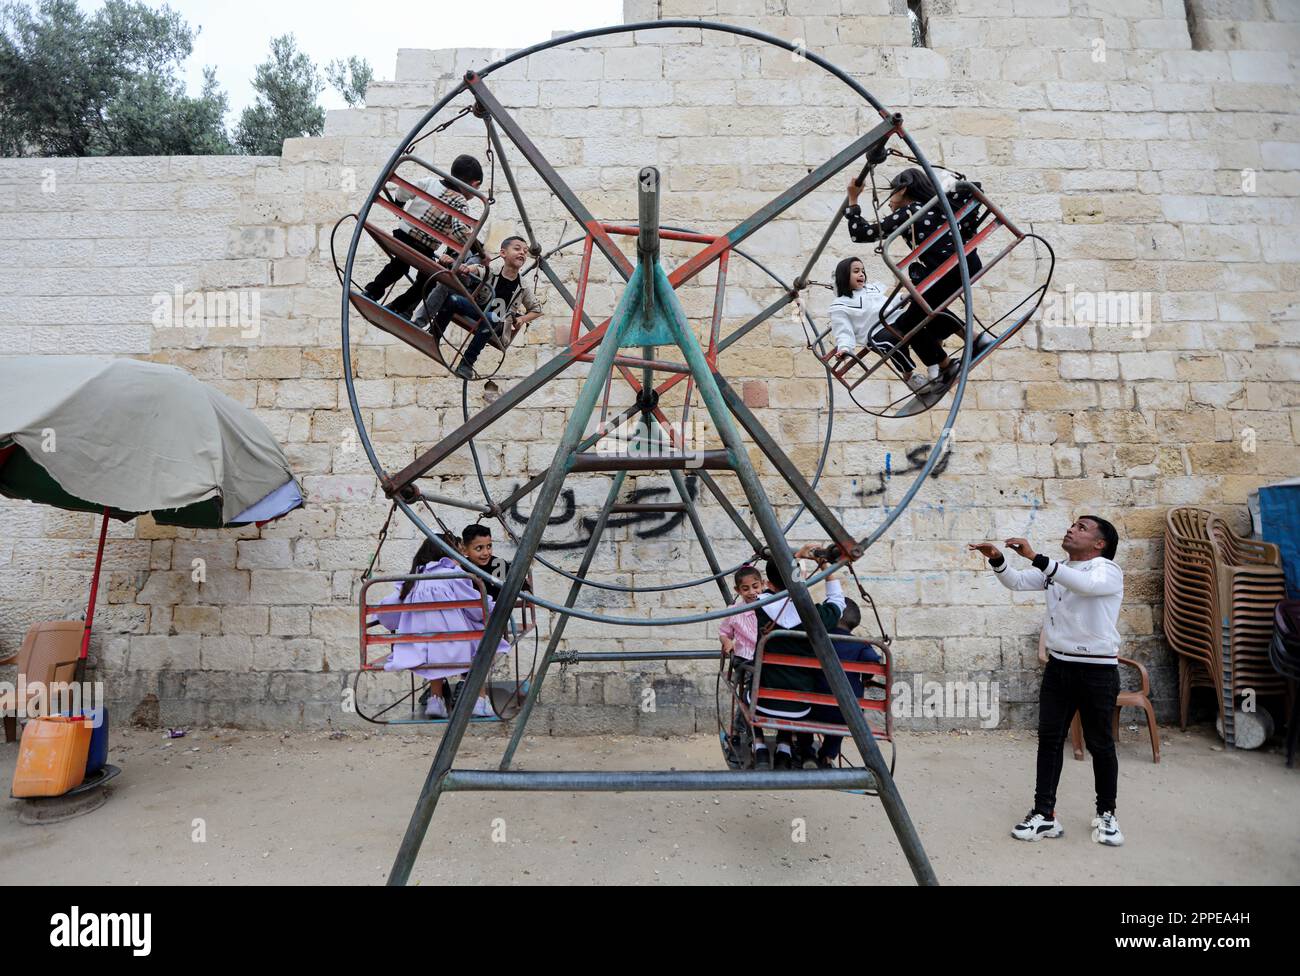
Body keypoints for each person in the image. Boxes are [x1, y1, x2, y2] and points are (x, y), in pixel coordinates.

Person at [969, 516, 1125, 847]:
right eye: (1072, 525)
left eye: (1082, 527)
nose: (1071, 529)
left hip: (1098, 671)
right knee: (1050, 740)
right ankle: (1044, 815)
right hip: (1059, 668)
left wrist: (1037, 557)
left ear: (1100, 544)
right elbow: (1016, 582)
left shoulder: (1106, 571)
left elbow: (1086, 587)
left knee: (1100, 744)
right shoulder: (1058, 570)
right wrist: (997, 559)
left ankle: (1106, 814)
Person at [844, 167, 993, 408]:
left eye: (891, 195)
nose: (890, 202)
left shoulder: (912, 211)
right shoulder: (935, 207)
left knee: (908, 323)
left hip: (948, 270)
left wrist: (853, 199)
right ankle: (974, 342)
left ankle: (948, 364)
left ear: (903, 190)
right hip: (962, 263)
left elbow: (861, 233)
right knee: (921, 313)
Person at [372, 535, 507, 718]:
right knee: (481, 641)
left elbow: (389, 615)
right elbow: (475, 608)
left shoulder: (411, 580)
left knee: (435, 645)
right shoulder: (454, 575)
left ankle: (436, 699)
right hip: (457, 647)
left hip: (418, 649)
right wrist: (490, 609)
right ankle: (479, 699)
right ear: (447, 552)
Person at [747, 545, 846, 770]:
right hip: (800, 707)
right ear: (800, 578)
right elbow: (838, 603)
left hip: (762, 704)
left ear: (769, 582)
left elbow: (769, 587)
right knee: (792, 688)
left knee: (745, 682)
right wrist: (824, 567)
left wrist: (794, 556)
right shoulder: (815, 615)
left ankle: (761, 747)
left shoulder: (760, 606)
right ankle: (784, 749)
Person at [363, 153, 484, 319]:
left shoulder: (429, 182)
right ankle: (400, 307)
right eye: (476, 189)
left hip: (402, 237)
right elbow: (458, 230)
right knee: (428, 280)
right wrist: (476, 246)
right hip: (424, 247)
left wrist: (399, 205)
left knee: (398, 266)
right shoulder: (460, 202)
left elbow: (404, 190)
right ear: (474, 184)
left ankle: (371, 292)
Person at [427, 235, 544, 380]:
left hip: (497, 322)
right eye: (517, 249)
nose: (522, 253)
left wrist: (522, 319)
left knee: (492, 317)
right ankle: (433, 337)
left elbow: (537, 309)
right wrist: (466, 268)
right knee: (453, 300)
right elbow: (478, 269)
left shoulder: (523, 286)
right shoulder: (493, 270)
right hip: (480, 311)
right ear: (503, 253)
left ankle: (467, 363)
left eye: (525, 252)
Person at [828, 255, 928, 398]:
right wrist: (844, 349)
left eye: (862, 270)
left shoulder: (870, 289)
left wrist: (902, 297)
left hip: (894, 319)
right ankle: (909, 375)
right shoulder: (840, 306)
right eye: (856, 271)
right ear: (844, 276)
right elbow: (843, 331)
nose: (861, 274)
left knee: (919, 312)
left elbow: (887, 302)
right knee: (890, 341)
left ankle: (937, 358)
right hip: (875, 333)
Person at [803, 598, 884, 769]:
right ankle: (826, 756)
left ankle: (806, 753)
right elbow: (871, 663)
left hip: (810, 709)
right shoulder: (860, 644)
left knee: (800, 709)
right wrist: (865, 675)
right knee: (846, 707)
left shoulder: (814, 639)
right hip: (845, 714)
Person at [718, 565, 765, 662]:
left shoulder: (771, 606)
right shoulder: (734, 611)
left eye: (755, 586)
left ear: (762, 584)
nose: (752, 592)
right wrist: (727, 642)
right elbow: (723, 633)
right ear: (738, 590)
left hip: (767, 657)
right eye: (745, 589)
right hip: (744, 658)